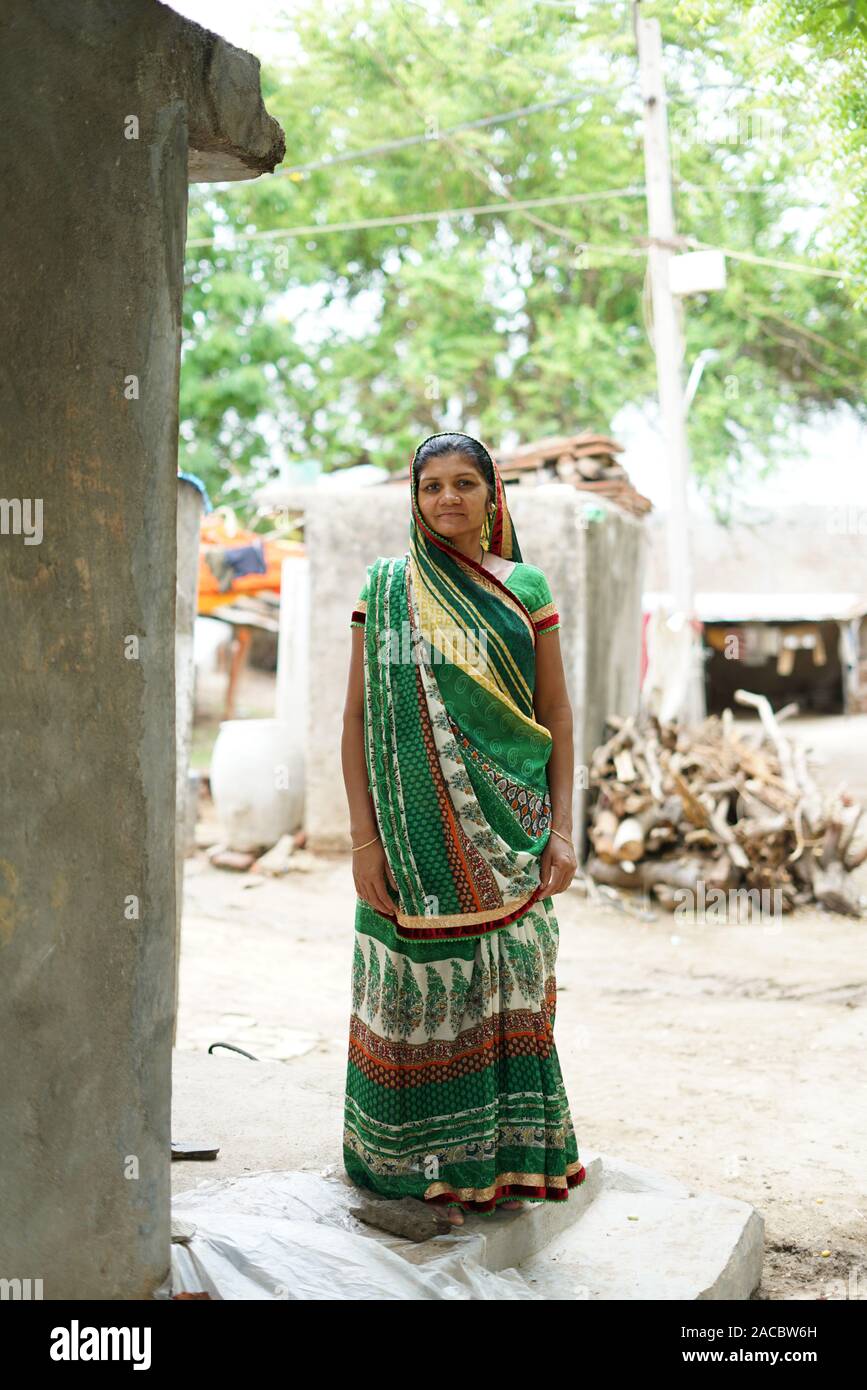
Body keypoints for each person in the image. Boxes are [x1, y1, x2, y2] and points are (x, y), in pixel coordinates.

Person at [340, 430, 587, 1226]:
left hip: (513, 835)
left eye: (462, 484)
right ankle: (408, 1169)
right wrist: (363, 841)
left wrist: (561, 830)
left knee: (510, 983)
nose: (446, 500)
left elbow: (553, 714)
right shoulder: (387, 589)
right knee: (421, 990)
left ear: (492, 494)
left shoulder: (525, 588)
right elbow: (358, 720)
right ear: (413, 499)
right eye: (429, 486)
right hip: (411, 843)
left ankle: (505, 1163)